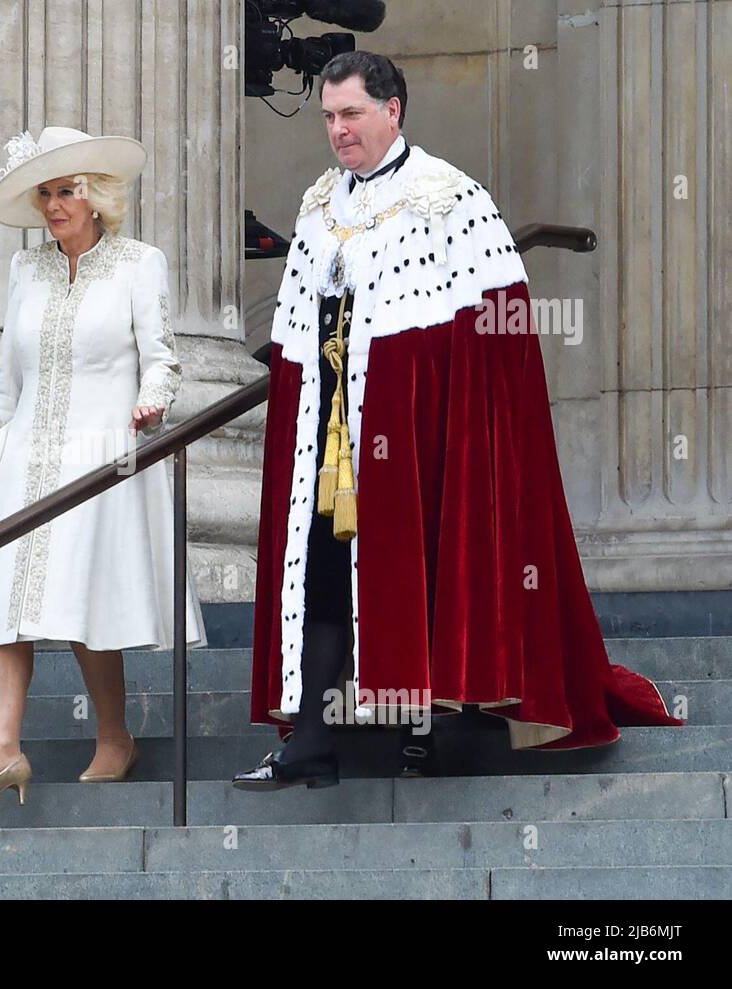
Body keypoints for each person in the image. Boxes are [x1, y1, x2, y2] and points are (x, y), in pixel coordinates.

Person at [235, 52, 681, 791]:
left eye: (350, 114)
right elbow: (297, 337)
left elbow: (501, 338)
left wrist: (457, 430)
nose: (338, 131)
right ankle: (308, 744)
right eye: (328, 118)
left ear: (392, 110)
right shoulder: (319, 204)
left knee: (416, 576)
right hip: (329, 432)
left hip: (420, 436)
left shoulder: (452, 197)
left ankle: (423, 734)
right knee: (319, 577)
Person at [0, 127, 206, 807]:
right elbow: (7, 377)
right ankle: (2, 749)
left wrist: (151, 402)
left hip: (101, 453)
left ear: (97, 196)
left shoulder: (140, 262)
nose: (54, 205)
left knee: (86, 597)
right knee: (5, 597)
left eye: (67, 190)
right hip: (26, 453)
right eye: (46, 193)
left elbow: (162, 358)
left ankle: (113, 735)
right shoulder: (26, 270)